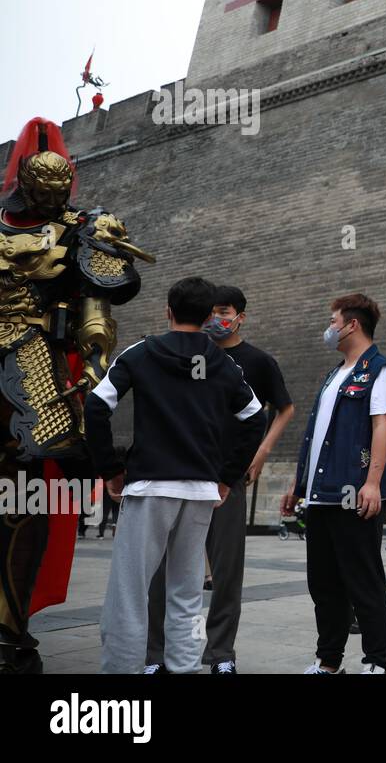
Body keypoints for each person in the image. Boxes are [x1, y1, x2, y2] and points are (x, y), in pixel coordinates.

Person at [0, 116, 148, 673]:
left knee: (40, 464)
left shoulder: (81, 226)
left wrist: (96, 362)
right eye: (42, 189)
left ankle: (11, 626)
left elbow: (96, 303)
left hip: (32, 351)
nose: (51, 198)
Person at [86, 277, 265, 674]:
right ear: (207, 318)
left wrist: (110, 471)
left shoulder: (143, 352)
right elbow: (255, 417)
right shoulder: (222, 362)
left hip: (151, 485)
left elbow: (96, 407)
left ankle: (122, 672)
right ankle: (185, 666)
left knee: (129, 592)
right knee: (186, 593)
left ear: (168, 311)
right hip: (200, 489)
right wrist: (226, 476)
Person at [143, 285, 295, 674]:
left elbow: (283, 408)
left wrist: (260, 452)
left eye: (223, 312)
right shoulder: (189, 352)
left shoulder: (256, 361)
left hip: (227, 476)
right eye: (211, 311)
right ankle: (156, 655)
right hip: (180, 471)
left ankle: (221, 655)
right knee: (163, 568)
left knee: (226, 573)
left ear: (240, 316)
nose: (216, 319)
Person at [282, 293, 386, 674]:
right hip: (321, 497)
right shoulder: (335, 374)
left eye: (333, 320)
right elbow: (317, 437)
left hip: (354, 495)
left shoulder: (378, 371)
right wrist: (297, 486)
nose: (329, 327)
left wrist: (373, 482)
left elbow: (382, 426)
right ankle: (328, 661)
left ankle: (378, 663)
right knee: (324, 586)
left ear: (352, 324)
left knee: (364, 582)